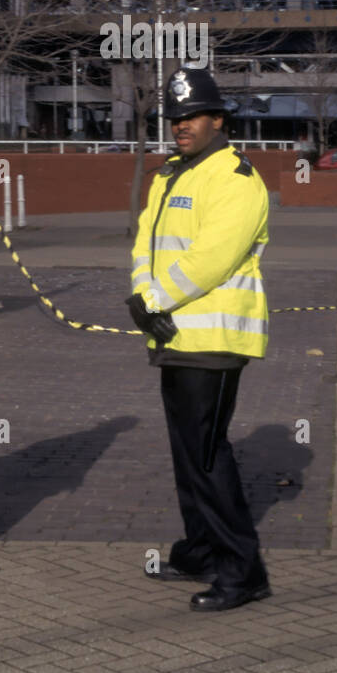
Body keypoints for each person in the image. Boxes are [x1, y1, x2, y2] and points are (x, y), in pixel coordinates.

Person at [126, 67, 271, 611]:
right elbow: (145, 242)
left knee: (208, 455)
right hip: (176, 336)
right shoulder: (168, 176)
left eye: (192, 117)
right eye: (175, 117)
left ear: (218, 120)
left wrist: (154, 300)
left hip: (214, 338)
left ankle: (243, 570)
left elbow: (211, 259)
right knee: (188, 454)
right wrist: (144, 294)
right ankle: (200, 552)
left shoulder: (235, 179)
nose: (181, 126)